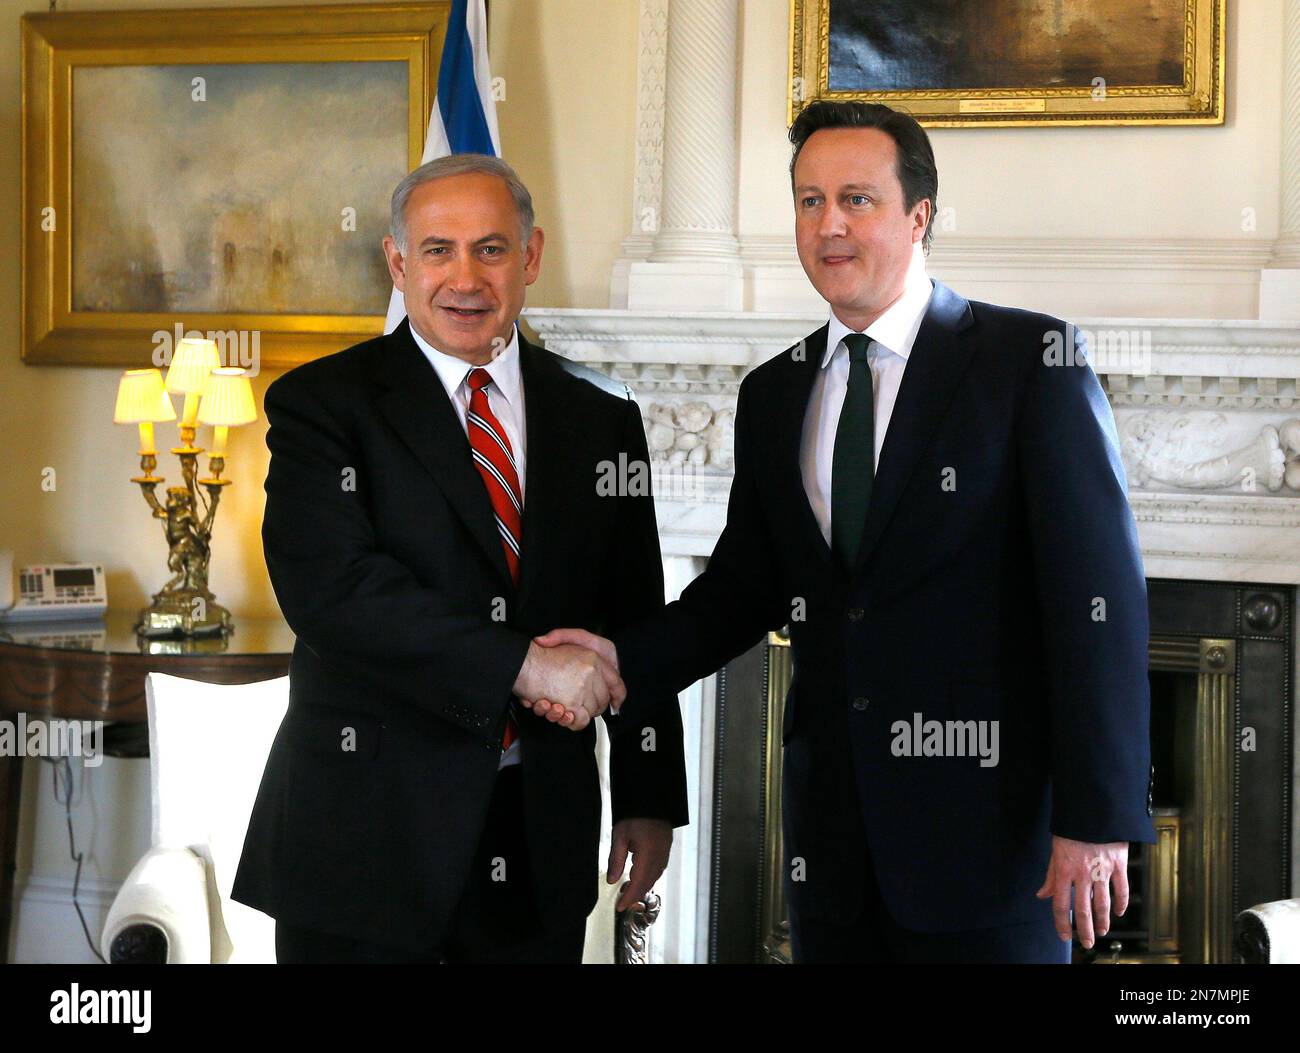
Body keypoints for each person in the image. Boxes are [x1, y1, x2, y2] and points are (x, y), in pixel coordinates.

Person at [534, 101, 1156, 964]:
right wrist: (616, 662)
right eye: (809, 200)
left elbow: (1103, 603)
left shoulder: (1029, 364)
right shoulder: (774, 392)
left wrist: (1098, 817)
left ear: (919, 215)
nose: (829, 224)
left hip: (994, 849)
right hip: (831, 852)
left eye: (857, 199)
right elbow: (742, 589)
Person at [231, 154, 688, 963]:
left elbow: (634, 615)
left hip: (538, 834)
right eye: (438, 250)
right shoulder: (322, 405)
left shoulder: (602, 417)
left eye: (492, 248)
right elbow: (332, 594)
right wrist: (523, 665)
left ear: (532, 255)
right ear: (398, 263)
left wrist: (648, 793)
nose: (465, 277)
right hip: (364, 842)